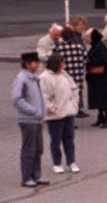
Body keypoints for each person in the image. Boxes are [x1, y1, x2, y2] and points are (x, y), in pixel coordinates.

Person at [10, 51, 48, 188]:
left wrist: (43, 110)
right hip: (28, 120)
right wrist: (33, 111)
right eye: (35, 62)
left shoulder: (34, 78)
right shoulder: (22, 79)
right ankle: (26, 177)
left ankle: (36, 175)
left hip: (37, 120)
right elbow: (16, 99)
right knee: (29, 149)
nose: (38, 64)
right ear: (28, 64)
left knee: (38, 149)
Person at [39, 52, 80, 174]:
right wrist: (52, 108)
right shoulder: (44, 77)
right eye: (62, 62)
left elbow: (74, 88)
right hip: (54, 116)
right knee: (56, 140)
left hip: (68, 112)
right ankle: (57, 163)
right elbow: (44, 96)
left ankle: (71, 161)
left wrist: (74, 103)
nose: (64, 65)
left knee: (69, 138)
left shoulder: (64, 74)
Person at [57, 20, 90, 116]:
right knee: (76, 93)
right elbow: (85, 59)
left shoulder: (59, 48)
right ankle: (77, 110)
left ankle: (69, 115)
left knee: (66, 96)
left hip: (65, 76)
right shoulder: (79, 47)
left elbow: (55, 62)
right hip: (78, 75)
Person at [85, 28, 107, 128]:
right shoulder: (95, 46)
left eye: (88, 37)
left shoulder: (100, 46)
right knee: (98, 97)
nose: (87, 39)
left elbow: (103, 59)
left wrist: (90, 61)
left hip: (101, 76)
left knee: (103, 97)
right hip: (96, 76)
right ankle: (101, 116)